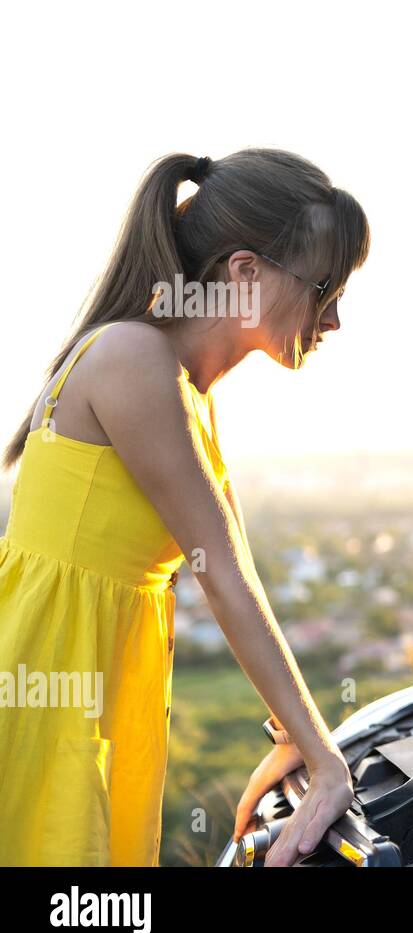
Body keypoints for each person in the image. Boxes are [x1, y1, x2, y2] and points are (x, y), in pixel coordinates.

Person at [0, 148, 369, 866]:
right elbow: (222, 578)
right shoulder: (132, 359)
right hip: (41, 692)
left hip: (88, 695)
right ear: (244, 273)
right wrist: (326, 766)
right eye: (324, 286)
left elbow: (239, 574)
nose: (336, 318)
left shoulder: (183, 388)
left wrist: (296, 735)